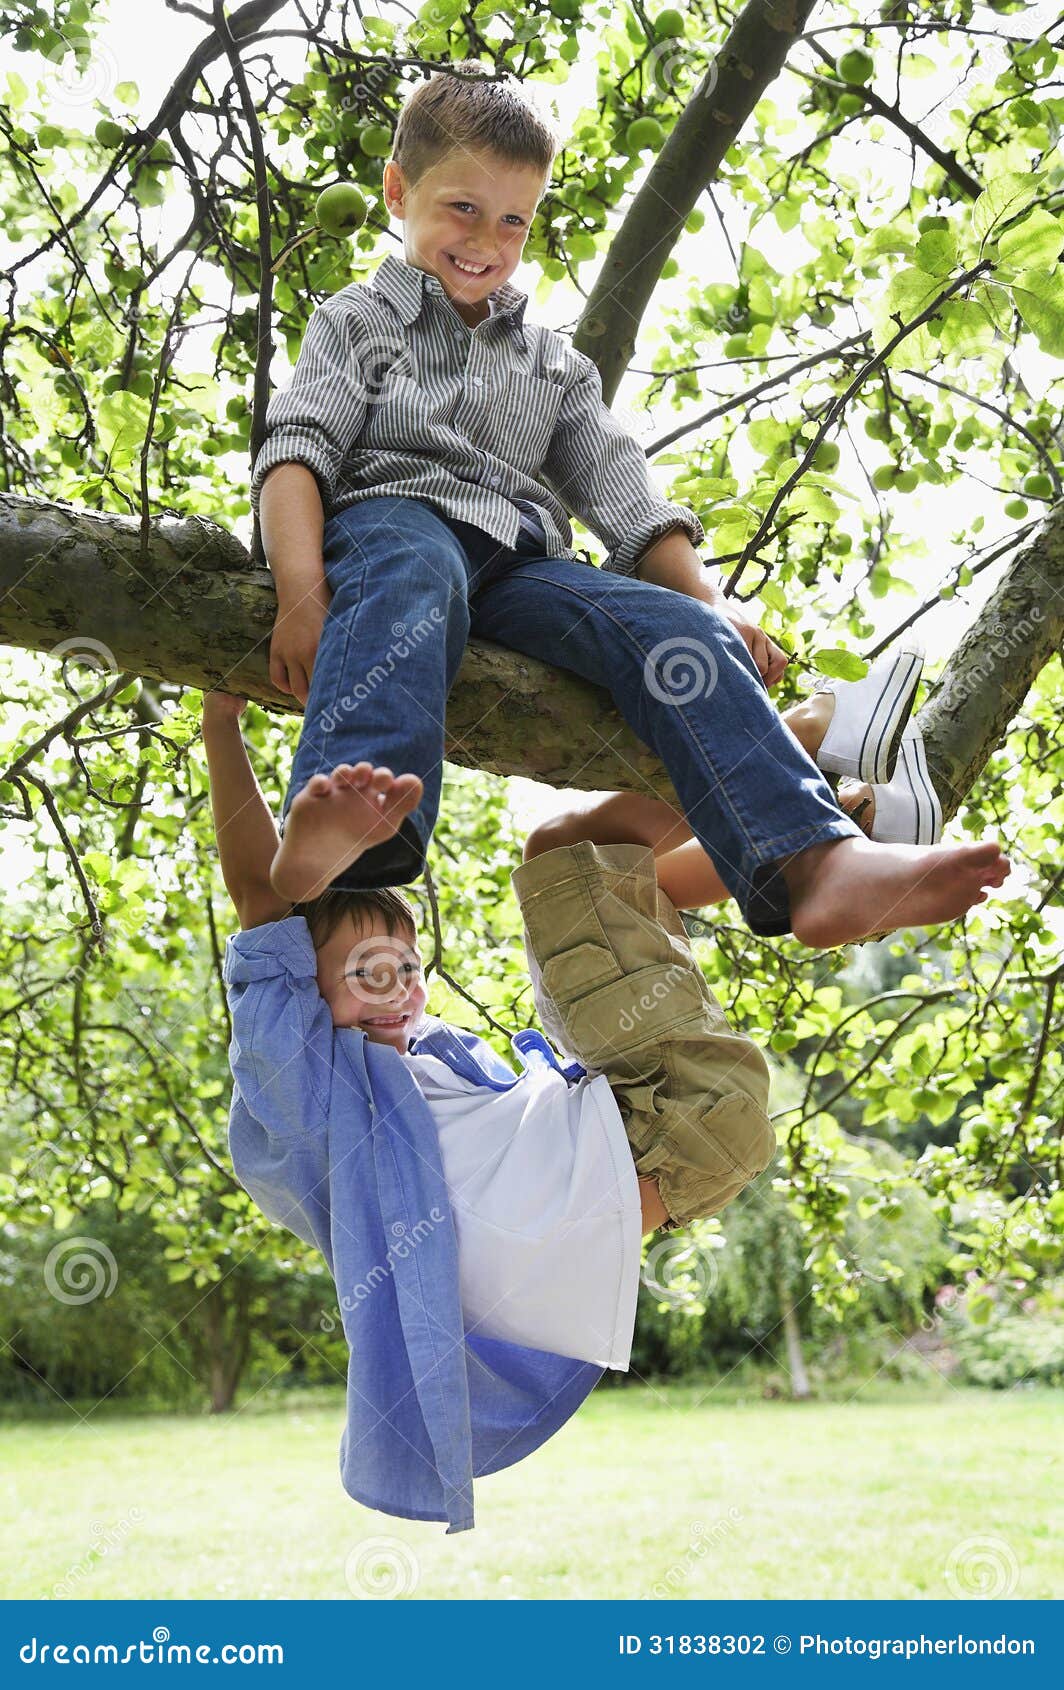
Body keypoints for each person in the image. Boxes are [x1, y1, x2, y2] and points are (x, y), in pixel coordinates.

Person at [249, 59, 1009, 947]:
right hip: (395, 517)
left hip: (519, 568)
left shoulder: (553, 366)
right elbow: (296, 454)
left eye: (513, 220)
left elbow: (626, 496)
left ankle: (813, 861)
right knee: (416, 570)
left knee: (676, 633)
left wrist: (712, 610)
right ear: (396, 189)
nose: (485, 238)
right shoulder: (358, 320)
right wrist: (302, 591)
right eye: (462, 207)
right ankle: (345, 832)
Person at [203, 690, 784, 1532]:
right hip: (674, 1133)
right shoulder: (318, 1106)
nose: (399, 989)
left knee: (610, 876)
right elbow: (261, 910)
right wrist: (221, 729)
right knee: (567, 853)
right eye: (367, 971)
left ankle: (812, 838)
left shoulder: (431, 1068)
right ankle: (797, 756)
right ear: (302, 995)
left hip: (661, 1123)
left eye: (408, 967)